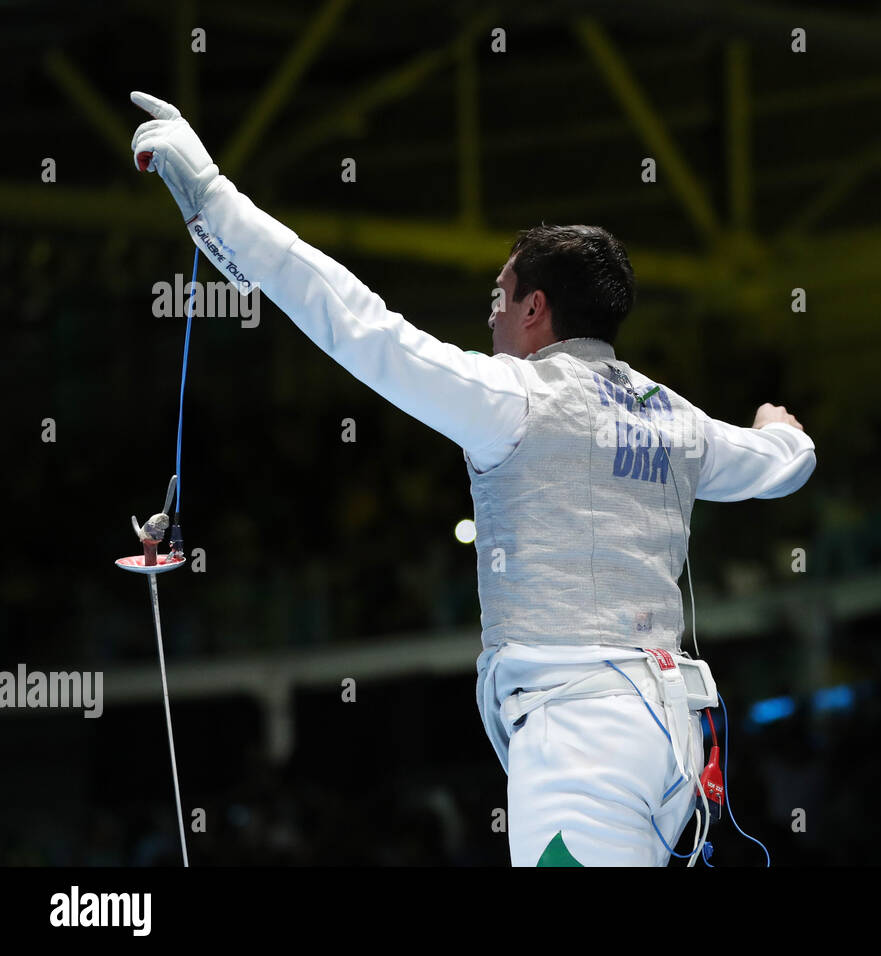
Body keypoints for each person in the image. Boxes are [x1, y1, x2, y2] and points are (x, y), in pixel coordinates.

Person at [130, 92, 817, 866]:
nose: (488, 318)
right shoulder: (676, 419)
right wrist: (778, 431)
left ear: (535, 307)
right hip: (671, 746)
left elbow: (353, 320)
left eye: (498, 298)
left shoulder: (515, 397)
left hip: (582, 742)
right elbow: (784, 468)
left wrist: (212, 196)